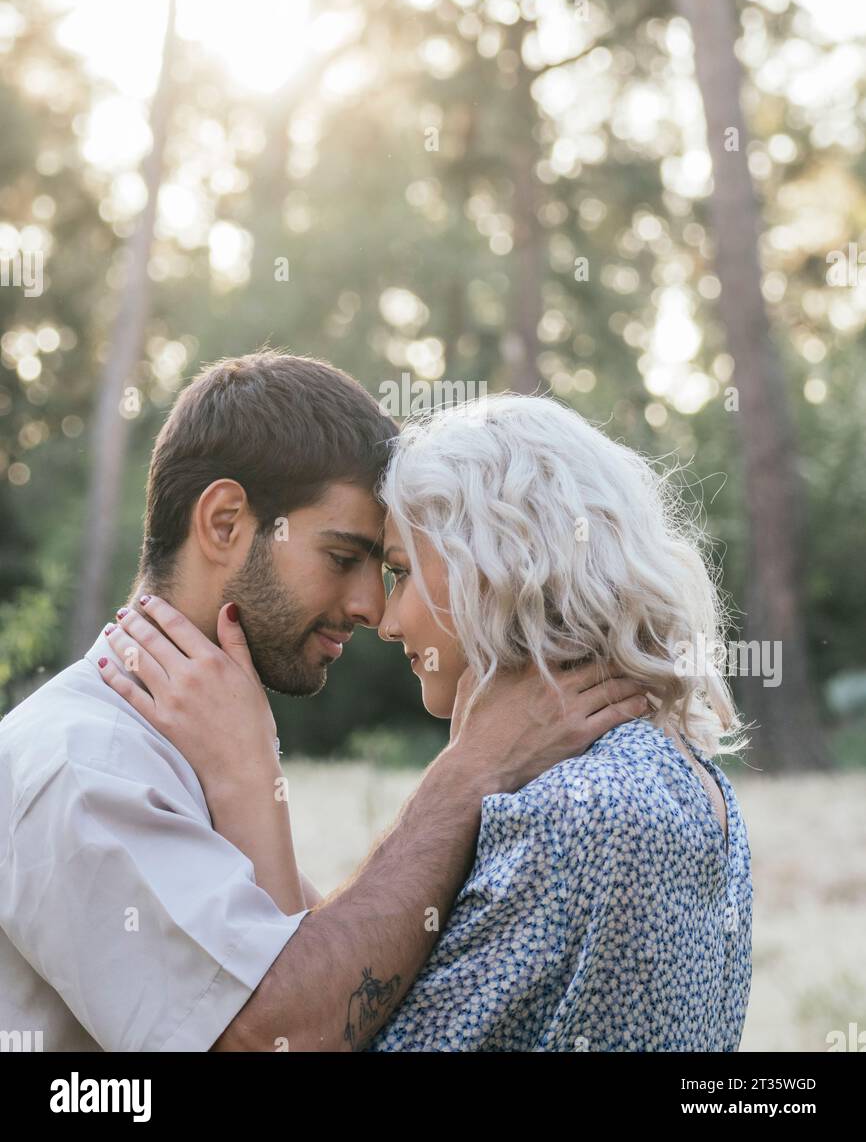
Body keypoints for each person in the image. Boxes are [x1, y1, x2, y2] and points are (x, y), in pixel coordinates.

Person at [0, 352, 648, 1053]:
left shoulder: (182, 739)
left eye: (386, 568)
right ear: (224, 522)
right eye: (343, 558)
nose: (372, 606)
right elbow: (274, 1039)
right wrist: (468, 774)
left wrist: (250, 780)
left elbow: (322, 974)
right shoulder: (86, 764)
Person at [99, 391, 753, 1052]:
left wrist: (247, 772)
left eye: (401, 572)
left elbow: (308, 1034)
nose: (385, 620)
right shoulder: (686, 780)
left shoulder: (574, 813)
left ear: (501, 566)